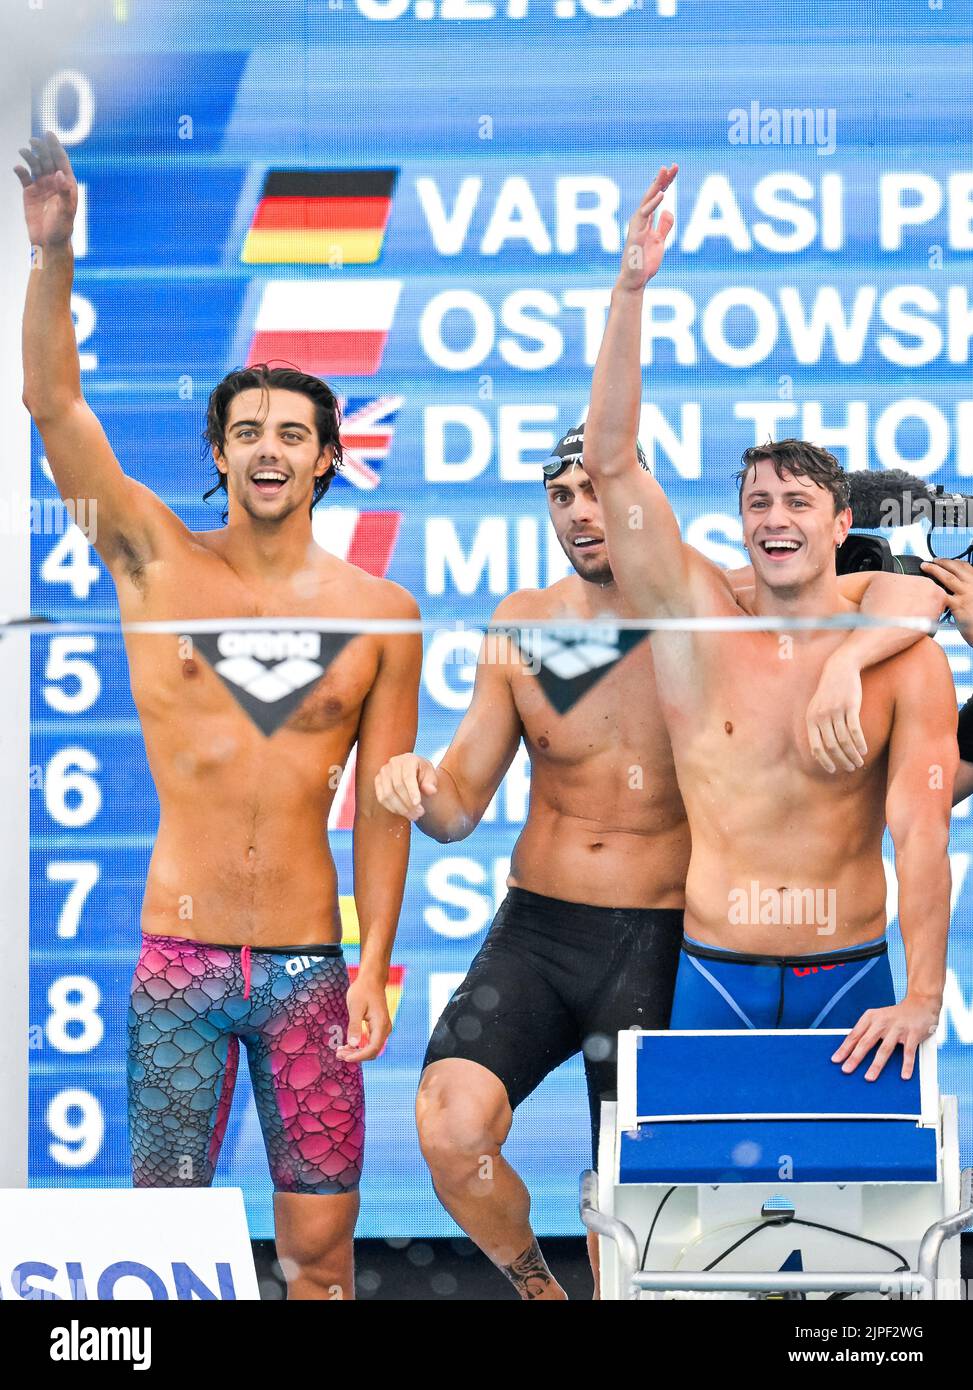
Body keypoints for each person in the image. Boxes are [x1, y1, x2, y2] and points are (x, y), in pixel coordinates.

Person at [375, 442, 942, 1298]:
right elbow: (456, 811)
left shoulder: (713, 604)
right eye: (561, 495)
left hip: (661, 935)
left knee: (642, 1206)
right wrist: (416, 788)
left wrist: (844, 660)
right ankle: (536, 1287)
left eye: (597, 490)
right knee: (449, 1130)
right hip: (538, 927)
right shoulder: (523, 622)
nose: (580, 510)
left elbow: (908, 594)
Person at [18, 131, 421, 1300]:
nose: (267, 448)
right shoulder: (153, 563)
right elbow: (52, 404)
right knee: (165, 1249)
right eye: (246, 430)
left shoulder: (382, 613)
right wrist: (54, 254)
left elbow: (384, 808)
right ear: (217, 452)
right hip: (179, 962)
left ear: (329, 458)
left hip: (308, 964)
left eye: (291, 432)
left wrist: (375, 964)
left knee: (320, 1262)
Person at [582, 166, 957, 1084]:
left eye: (798, 501)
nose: (775, 517)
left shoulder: (906, 666)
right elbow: (612, 461)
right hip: (714, 975)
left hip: (852, 980)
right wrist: (630, 290)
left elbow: (922, 837)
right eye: (757, 503)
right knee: (696, 1227)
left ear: (839, 527)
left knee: (861, 1224)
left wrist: (923, 997)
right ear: (741, 525)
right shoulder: (696, 625)